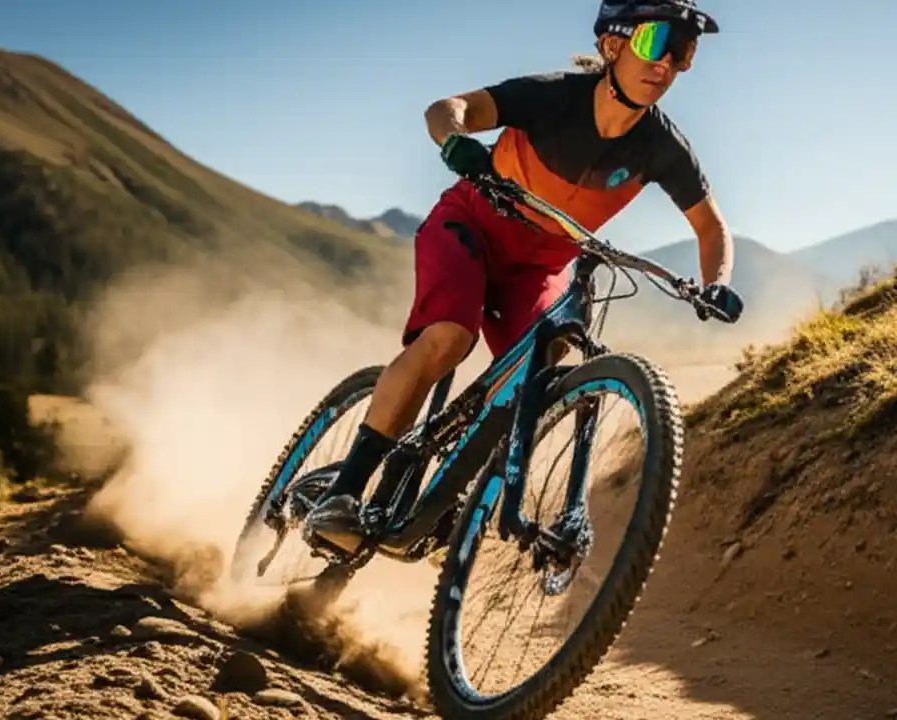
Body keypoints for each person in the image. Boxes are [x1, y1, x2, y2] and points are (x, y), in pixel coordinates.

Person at [306, 0, 743, 551]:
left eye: (684, 51)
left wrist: (715, 282)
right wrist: (457, 142)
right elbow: (447, 108)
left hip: (540, 265)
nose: (668, 62)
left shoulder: (662, 146)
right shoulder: (553, 95)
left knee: (536, 374)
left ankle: (437, 493)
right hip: (472, 226)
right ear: (612, 45)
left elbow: (711, 229)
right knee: (447, 340)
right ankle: (342, 494)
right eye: (657, 41)